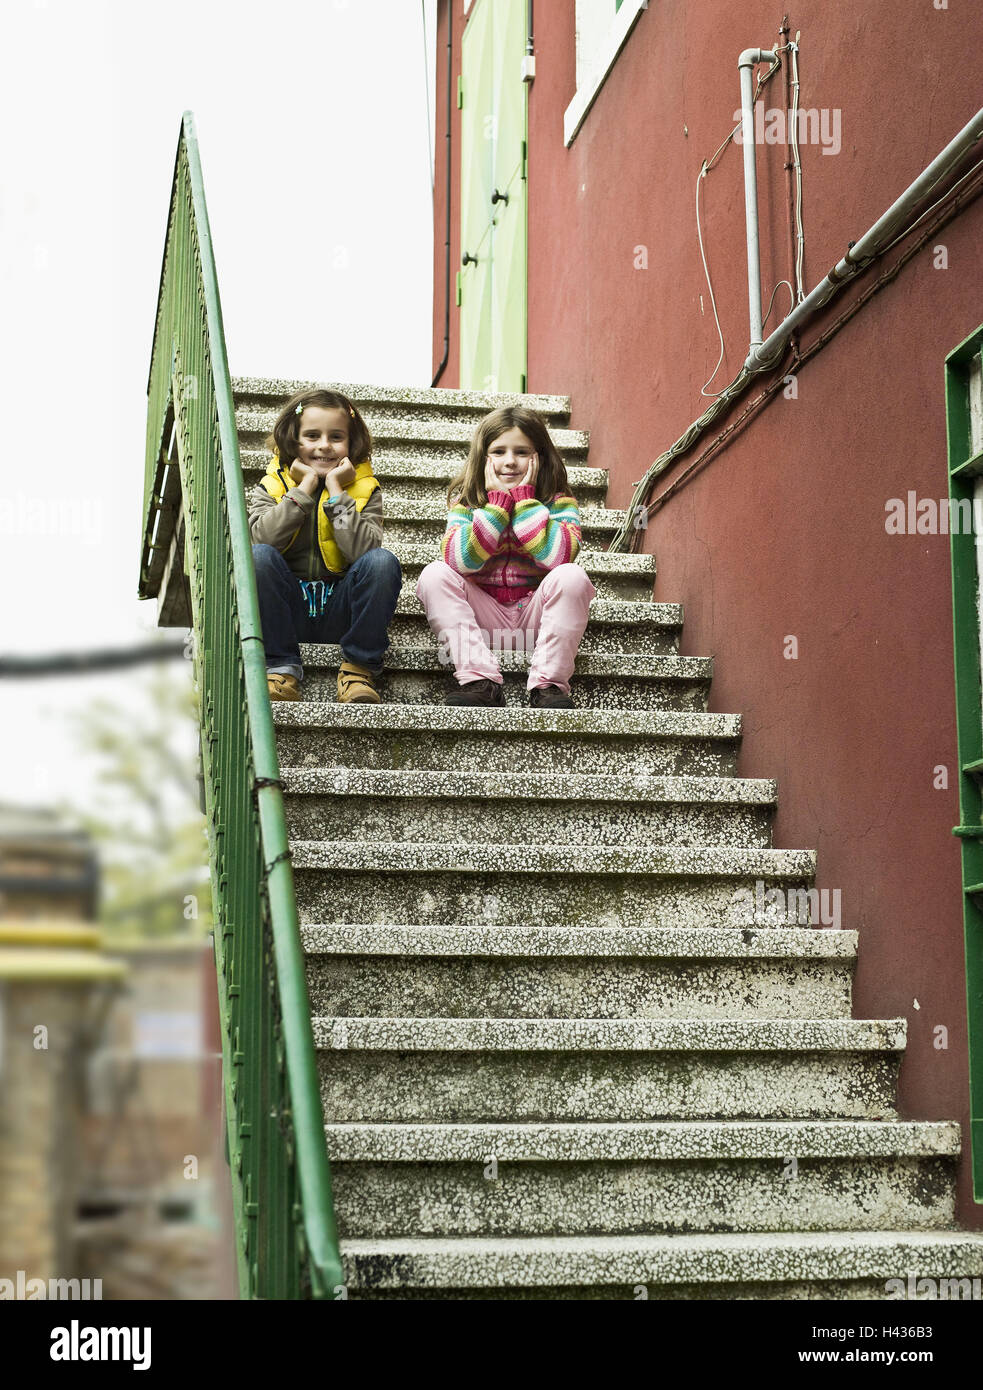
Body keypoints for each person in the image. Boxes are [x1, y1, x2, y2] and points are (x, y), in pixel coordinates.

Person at [416, 406, 595, 707]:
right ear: (483, 457)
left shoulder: (559, 503)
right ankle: (480, 681)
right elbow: (460, 562)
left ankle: (548, 686)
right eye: (498, 452)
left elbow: (559, 558)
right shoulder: (467, 504)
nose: (510, 461)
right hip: (481, 623)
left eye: (521, 452)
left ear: (539, 457)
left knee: (572, 576)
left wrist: (525, 503)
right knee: (434, 574)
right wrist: (496, 510)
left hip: (536, 620)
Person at [247, 388, 401, 703]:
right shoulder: (271, 486)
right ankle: (280, 668)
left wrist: (335, 490)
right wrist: (304, 489)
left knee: (383, 562)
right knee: (259, 557)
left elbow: (363, 553)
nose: (324, 445)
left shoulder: (366, 489)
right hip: (286, 613)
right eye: (312, 436)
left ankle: (358, 670)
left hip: (340, 612)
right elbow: (261, 540)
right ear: (293, 440)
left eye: (336, 436)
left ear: (351, 442)